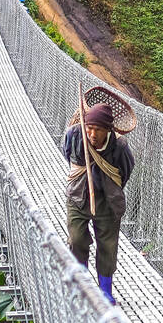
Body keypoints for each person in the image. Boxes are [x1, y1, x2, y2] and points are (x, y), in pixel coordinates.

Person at [62, 103, 135, 303]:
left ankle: (105, 290)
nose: (92, 134)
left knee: (108, 245)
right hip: (78, 196)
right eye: (90, 128)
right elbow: (67, 153)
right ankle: (83, 285)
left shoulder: (119, 146)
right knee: (76, 239)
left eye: (98, 130)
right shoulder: (75, 134)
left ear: (108, 130)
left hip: (108, 202)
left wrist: (107, 187)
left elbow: (125, 172)